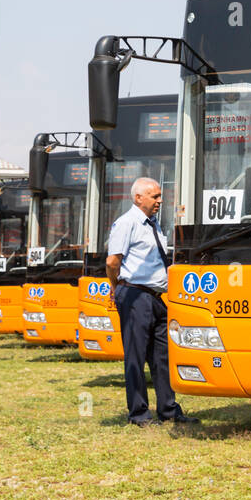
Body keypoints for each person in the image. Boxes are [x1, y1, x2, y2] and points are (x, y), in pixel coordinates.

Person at [106, 177, 198, 427]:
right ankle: (139, 414)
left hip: (156, 297)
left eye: (160, 196)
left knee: (162, 355)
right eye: (154, 196)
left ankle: (168, 410)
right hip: (135, 294)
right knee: (135, 355)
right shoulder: (127, 223)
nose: (160, 201)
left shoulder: (153, 224)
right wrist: (117, 290)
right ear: (138, 198)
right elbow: (112, 262)